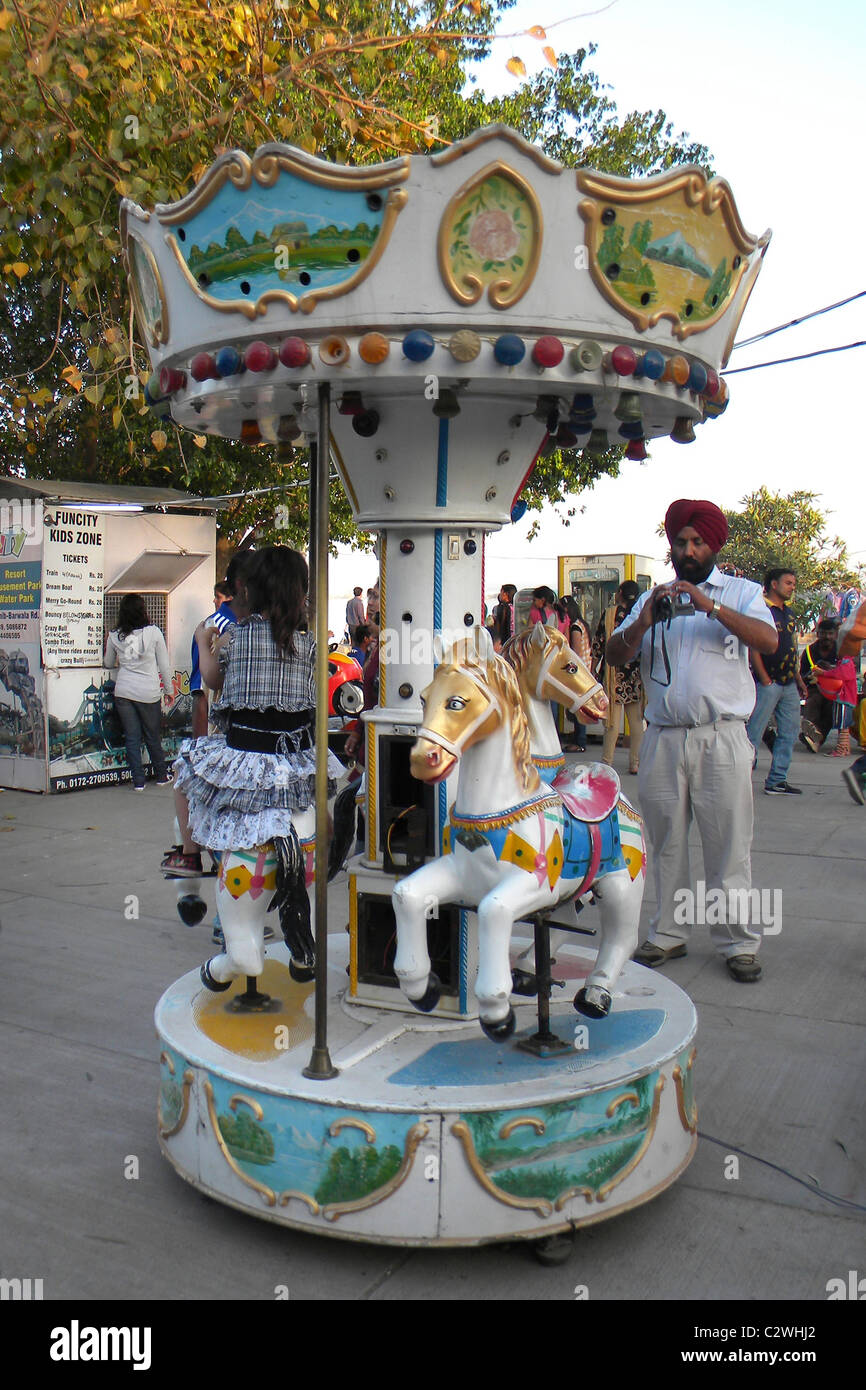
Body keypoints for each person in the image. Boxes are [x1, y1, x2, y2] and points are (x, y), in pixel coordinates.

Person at [606, 499, 778, 984]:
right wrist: (643, 623)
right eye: (680, 541)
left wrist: (711, 607)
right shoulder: (649, 598)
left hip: (721, 737)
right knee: (665, 843)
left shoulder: (740, 592)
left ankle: (739, 942)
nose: (688, 549)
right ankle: (668, 933)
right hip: (662, 740)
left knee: (729, 846)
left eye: (697, 541)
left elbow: (768, 642)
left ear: (713, 545)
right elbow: (617, 655)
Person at [174, 546, 344, 989]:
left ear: (249, 590)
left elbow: (211, 680)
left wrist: (202, 643)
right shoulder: (310, 645)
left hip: (248, 759)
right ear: (301, 593)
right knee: (319, 809)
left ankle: (189, 856)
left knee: (186, 773)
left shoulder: (239, 637)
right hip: (294, 762)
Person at [164, 550, 255, 875]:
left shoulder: (260, 622)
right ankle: (192, 855)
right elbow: (202, 691)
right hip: (225, 737)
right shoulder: (215, 627)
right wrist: (200, 748)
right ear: (244, 586)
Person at [745, 568, 808, 795]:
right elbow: (754, 647)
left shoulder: (788, 614)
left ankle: (777, 780)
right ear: (773, 584)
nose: (792, 587)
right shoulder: (761, 611)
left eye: (793, 583)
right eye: (788, 583)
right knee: (753, 732)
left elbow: (791, 648)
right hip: (768, 682)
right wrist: (764, 679)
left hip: (789, 682)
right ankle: (741, 780)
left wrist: (799, 680)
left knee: (789, 732)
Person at [103, 594, 172, 790]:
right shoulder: (154, 632)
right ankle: (161, 776)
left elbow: (108, 663)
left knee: (132, 737)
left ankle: (138, 782)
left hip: (124, 691)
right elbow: (164, 665)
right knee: (152, 735)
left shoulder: (114, 635)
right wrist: (168, 689)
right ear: (143, 610)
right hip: (148, 692)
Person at [592, 581, 645, 774]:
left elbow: (599, 642)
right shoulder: (638, 614)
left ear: (620, 593)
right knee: (636, 721)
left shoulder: (610, 614)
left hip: (613, 673)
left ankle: (607, 763)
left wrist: (593, 668)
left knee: (612, 721)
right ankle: (635, 763)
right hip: (635, 674)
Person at [799, 619, 841, 752]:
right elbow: (802, 675)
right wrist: (811, 675)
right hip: (815, 688)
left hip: (836, 691)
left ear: (835, 635)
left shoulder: (841, 651)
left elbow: (850, 673)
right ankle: (810, 734)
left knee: (831, 705)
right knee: (813, 701)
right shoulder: (809, 651)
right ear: (818, 634)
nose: (827, 637)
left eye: (830, 633)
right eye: (823, 633)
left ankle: (817, 737)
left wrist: (830, 672)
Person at [558, 594, 593, 752]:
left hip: (579, 673)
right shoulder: (582, 624)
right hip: (586, 670)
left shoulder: (575, 627)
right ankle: (579, 738)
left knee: (577, 706)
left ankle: (580, 742)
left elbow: (576, 652)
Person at [491, 583, 516, 650]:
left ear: (505, 594)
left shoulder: (502, 608)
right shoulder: (515, 608)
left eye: (501, 592)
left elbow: (500, 627)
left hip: (504, 643)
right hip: (514, 642)